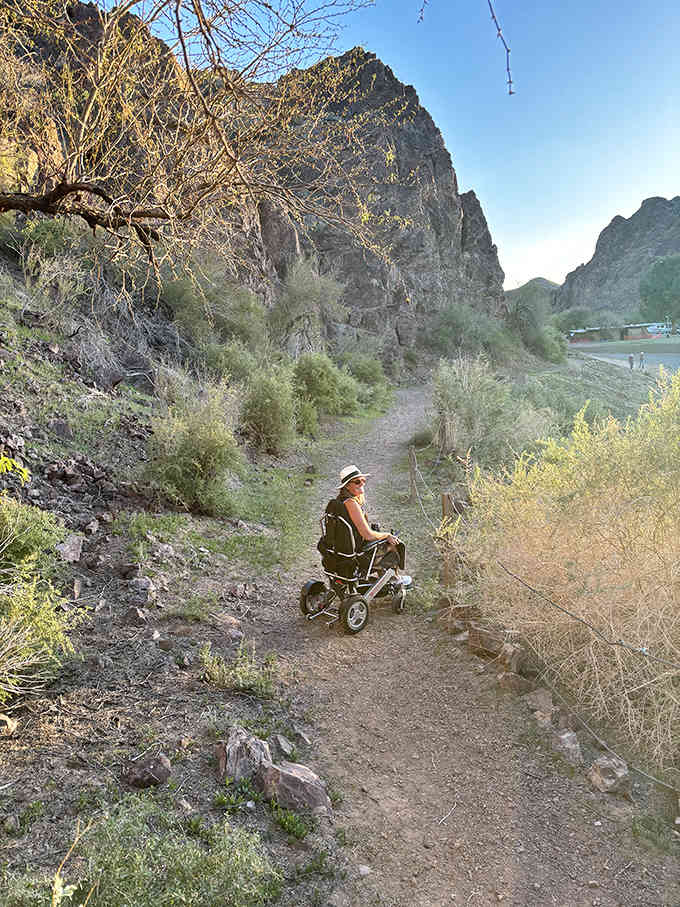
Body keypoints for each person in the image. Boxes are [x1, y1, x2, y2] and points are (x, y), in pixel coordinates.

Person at [336, 464, 400, 571]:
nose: (361, 483)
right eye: (357, 482)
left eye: (363, 480)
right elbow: (367, 535)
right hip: (356, 551)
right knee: (395, 544)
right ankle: (394, 579)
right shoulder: (351, 503)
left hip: (342, 547)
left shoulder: (339, 501)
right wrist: (387, 535)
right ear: (347, 486)